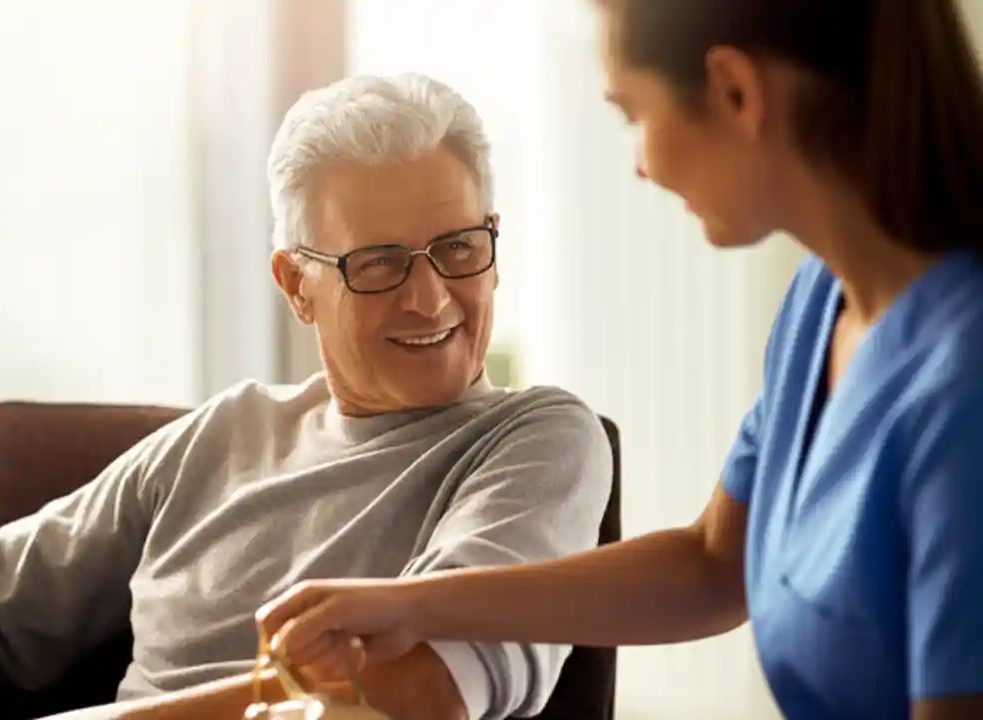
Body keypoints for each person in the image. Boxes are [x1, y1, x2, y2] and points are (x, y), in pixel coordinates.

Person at [0, 74, 612, 720]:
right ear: (295, 286)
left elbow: (420, 690)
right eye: (377, 263)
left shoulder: (541, 441)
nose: (431, 298)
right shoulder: (226, 435)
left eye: (458, 248)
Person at [257, 1, 983, 718]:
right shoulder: (822, 303)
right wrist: (411, 604)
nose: (638, 165)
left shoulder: (962, 384)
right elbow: (709, 566)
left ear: (735, 93)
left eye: (632, 112)